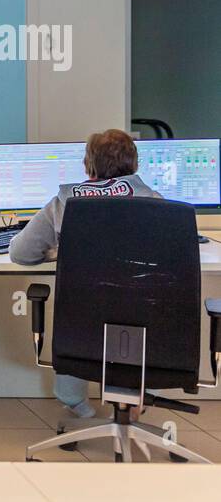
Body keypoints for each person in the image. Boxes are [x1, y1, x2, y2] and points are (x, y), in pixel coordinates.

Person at [9, 128, 161, 418]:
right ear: (135, 164)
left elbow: (20, 253)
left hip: (82, 322)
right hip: (138, 322)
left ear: (88, 165)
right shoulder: (154, 200)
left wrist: (60, 251)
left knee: (79, 310)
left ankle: (76, 402)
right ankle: (133, 395)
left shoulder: (66, 202)